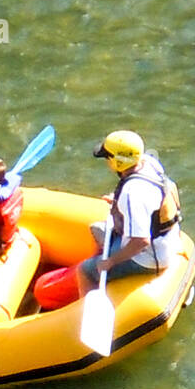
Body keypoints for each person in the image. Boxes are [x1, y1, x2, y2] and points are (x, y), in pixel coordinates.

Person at [33, 129, 182, 310]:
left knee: (86, 270)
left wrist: (110, 262)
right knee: (98, 229)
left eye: (108, 157)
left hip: (150, 256)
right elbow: (153, 200)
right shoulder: (149, 163)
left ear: (118, 161)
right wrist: (117, 201)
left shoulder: (133, 194)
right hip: (166, 238)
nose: (106, 161)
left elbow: (141, 241)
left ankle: (85, 314)